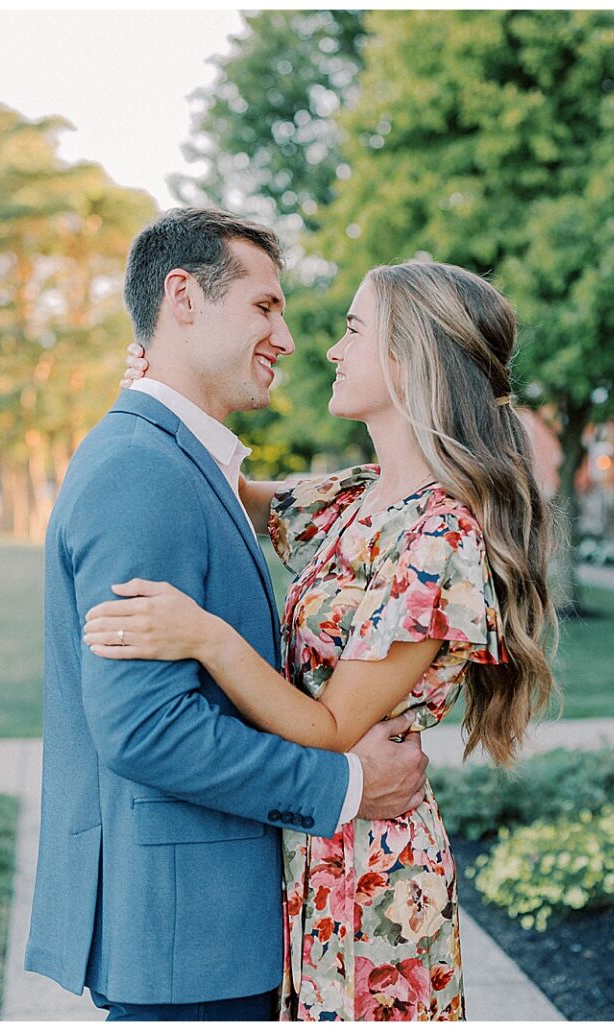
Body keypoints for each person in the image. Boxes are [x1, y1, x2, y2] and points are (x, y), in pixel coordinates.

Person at [86, 259, 558, 1020]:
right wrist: (159, 387)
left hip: (376, 871)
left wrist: (206, 637)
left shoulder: (439, 535)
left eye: (352, 330)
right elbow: (210, 479)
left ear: (410, 358)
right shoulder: (354, 497)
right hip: (318, 846)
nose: (330, 350)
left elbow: (335, 726)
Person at [25, 207, 430, 1022]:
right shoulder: (142, 471)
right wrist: (347, 784)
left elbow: (352, 506)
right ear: (184, 297)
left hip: (202, 934)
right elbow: (146, 730)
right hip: (188, 941)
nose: (285, 335)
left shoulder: (172, 455)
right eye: (264, 306)